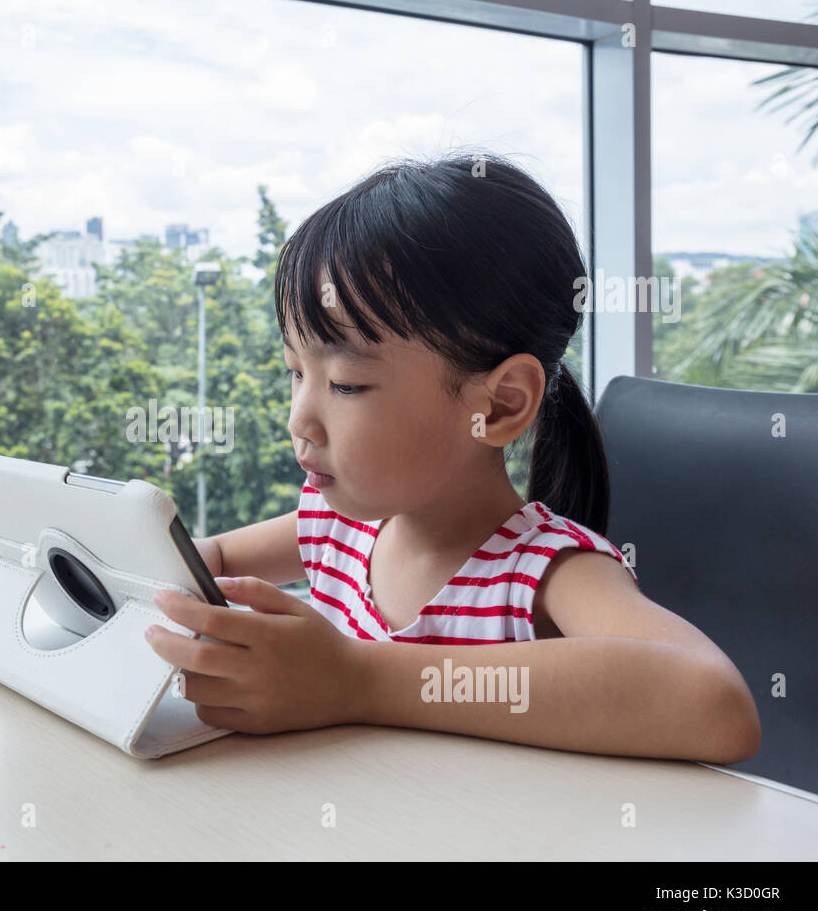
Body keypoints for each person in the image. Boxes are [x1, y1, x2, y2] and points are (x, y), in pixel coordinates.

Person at [144, 152, 760, 764]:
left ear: (497, 406)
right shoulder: (337, 527)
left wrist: (358, 680)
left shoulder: (540, 573)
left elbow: (716, 705)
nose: (298, 419)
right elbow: (210, 562)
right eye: (294, 373)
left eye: (346, 385)